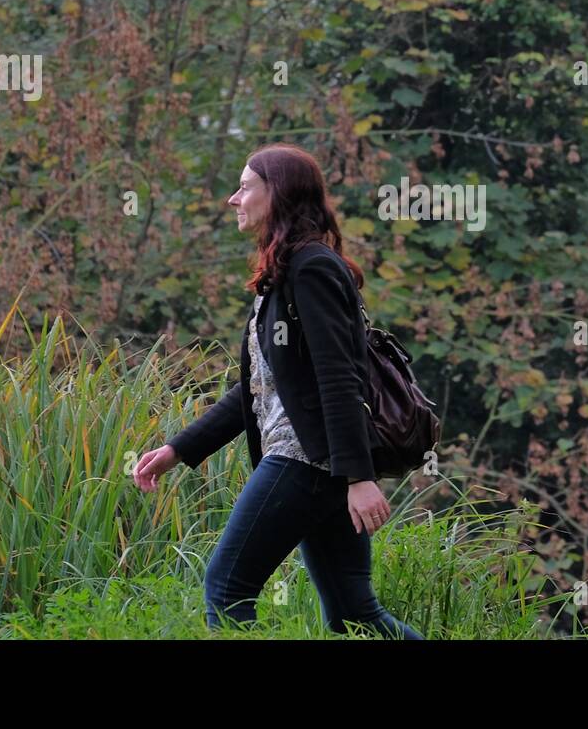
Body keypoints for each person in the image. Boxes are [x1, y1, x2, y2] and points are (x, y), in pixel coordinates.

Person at [133, 143, 424, 640]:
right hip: (321, 463)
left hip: (307, 461)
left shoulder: (311, 269)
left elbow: (340, 379)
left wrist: (358, 478)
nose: (233, 198)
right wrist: (178, 449)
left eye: (245, 186)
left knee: (226, 591)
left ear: (279, 194)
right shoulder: (284, 275)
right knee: (355, 614)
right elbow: (254, 393)